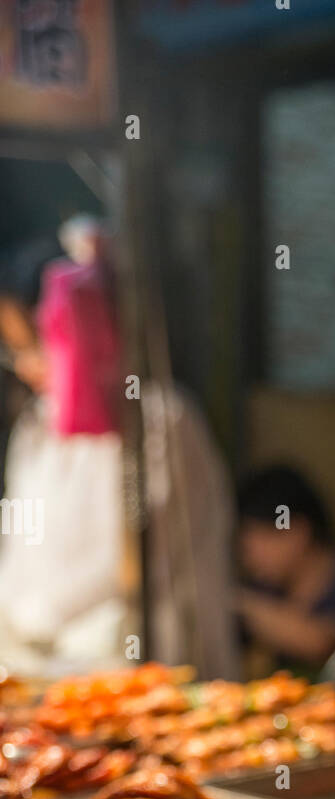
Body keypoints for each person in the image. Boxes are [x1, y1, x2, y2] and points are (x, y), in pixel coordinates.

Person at [0, 224, 239, 677]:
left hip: (145, 667)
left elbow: (132, 568)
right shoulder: (36, 430)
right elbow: (18, 550)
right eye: (14, 351)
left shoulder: (159, 425)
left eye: (34, 346)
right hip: (42, 667)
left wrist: (40, 629)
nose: (27, 366)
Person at [236, 462, 335, 673]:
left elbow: (322, 644)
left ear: (299, 532)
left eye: (263, 539)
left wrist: (237, 601)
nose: (251, 556)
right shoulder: (269, 588)